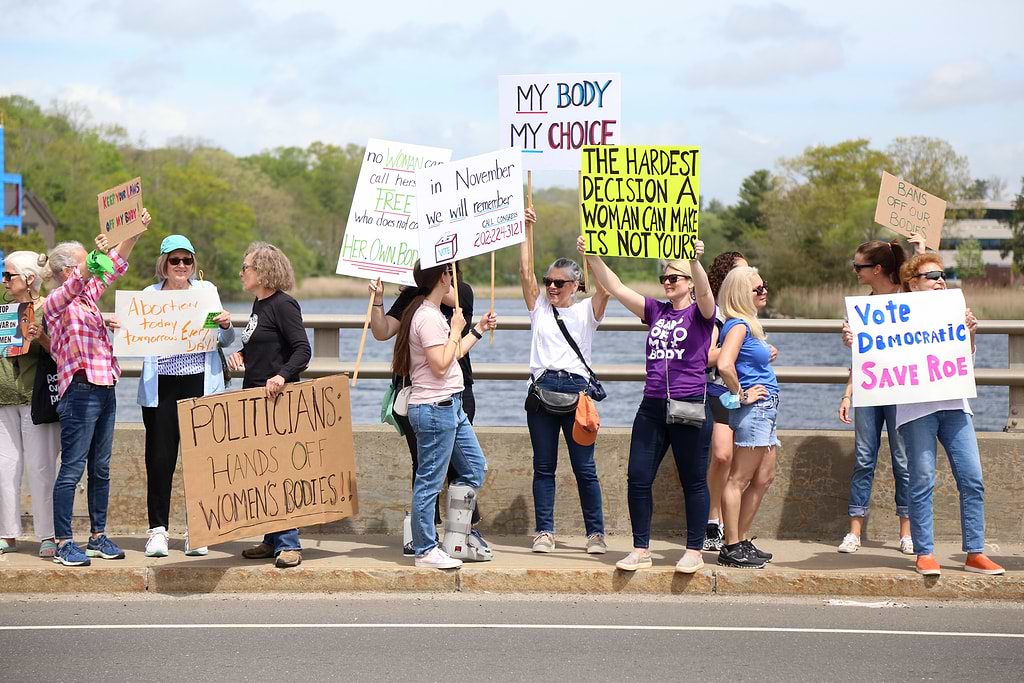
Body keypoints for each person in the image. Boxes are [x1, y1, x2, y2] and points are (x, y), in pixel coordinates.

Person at [580, 237, 715, 573]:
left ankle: (694, 550)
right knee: (638, 478)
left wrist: (695, 263)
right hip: (652, 405)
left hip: (689, 405)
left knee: (693, 480)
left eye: (674, 278)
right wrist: (592, 255)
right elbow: (615, 286)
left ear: (689, 284)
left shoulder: (701, 314)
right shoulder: (656, 310)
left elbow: (708, 295)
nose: (668, 283)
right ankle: (641, 549)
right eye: (664, 279)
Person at [44, 215, 147, 567]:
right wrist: (90, 261)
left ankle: (97, 536)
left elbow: (113, 266)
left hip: (106, 386)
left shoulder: (88, 297)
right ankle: (62, 542)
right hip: (80, 389)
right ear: (65, 269)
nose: (89, 266)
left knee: (100, 468)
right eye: (81, 261)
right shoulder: (56, 302)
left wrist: (131, 233)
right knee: (72, 469)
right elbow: (79, 280)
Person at [894, 253, 1003, 576]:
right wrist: (855, 341)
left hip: (955, 406)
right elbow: (879, 351)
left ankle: (975, 552)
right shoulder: (896, 316)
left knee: (972, 478)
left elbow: (965, 358)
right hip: (917, 410)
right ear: (913, 284)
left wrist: (970, 331)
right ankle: (925, 552)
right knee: (923, 479)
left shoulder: (954, 311)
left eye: (943, 275)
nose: (940, 280)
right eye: (932, 276)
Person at [391, 260, 496, 569]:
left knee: (475, 467)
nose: (453, 278)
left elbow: (454, 355)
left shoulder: (432, 314)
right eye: (449, 273)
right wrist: (455, 330)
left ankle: (454, 536)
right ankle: (425, 549)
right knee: (429, 482)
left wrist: (477, 330)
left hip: (452, 404)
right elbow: (439, 364)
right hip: (434, 408)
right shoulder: (426, 317)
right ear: (440, 278)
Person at [369, 274, 484, 555]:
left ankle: (459, 534)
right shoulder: (420, 308)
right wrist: (378, 300)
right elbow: (383, 331)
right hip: (425, 397)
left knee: (467, 467)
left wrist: (474, 329)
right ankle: (425, 541)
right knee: (426, 469)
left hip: (454, 394)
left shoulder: (458, 296)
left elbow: (455, 312)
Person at [135, 235, 234, 558]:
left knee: (200, 462)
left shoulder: (206, 292)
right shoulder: (149, 295)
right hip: (161, 386)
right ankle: (158, 532)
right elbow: (136, 335)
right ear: (163, 263)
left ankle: (199, 531)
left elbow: (226, 339)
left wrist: (227, 324)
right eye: (174, 260)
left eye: (187, 260)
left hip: (199, 384)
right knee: (160, 461)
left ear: (194, 264)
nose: (181, 266)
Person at [519, 208, 609, 554]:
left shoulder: (587, 310)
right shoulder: (539, 307)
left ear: (576, 284)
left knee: (585, 468)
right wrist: (528, 230)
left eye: (560, 283)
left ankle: (596, 533)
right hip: (542, 396)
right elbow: (525, 271)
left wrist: (593, 253)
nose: (552, 287)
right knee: (544, 468)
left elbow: (606, 289)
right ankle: (544, 531)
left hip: (577, 396)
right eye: (549, 282)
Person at [227, 242, 311, 569]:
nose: (241, 272)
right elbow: (262, 346)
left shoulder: (284, 305)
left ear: (262, 272)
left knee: (280, 472)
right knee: (261, 472)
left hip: (277, 402)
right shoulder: (258, 305)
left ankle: (289, 544)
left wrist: (282, 376)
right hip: (254, 398)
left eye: (246, 267)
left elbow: (302, 351)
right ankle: (270, 539)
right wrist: (241, 355)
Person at [836, 240, 913, 555]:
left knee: (903, 461)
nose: (855, 271)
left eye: (859, 266)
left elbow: (933, 288)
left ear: (877, 269)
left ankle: (907, 532)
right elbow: (862, 357)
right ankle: (854, 531)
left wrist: (918, 247)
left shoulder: (907, 298)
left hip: (902, 389)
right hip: (869, 389)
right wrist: (847, 392)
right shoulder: (862, 306)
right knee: (864, 458)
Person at [716, 266, 778, 569]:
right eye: (758, 288)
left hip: (767, 411)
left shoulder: (749, 326)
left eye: (764, 286)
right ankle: (731, 545)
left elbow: (745, 358)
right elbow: (725, 364)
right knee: (739, 479)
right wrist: (741, 394)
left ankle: (741, 539)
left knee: (764, 478)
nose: (764, 291)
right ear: (742, 294)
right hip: (755, 410)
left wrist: (765, 352)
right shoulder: (738, 325)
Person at [0, 251, 61, 557]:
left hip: (37, 398)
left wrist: (41, 336)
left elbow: (64, 350)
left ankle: (48, 534)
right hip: (3, 398)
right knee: (5, 467)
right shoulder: (2, 309)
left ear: (29, 279)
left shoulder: (50, 307)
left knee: (41, 468)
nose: (4, 280)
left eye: (9, 275)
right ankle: (8, 533)